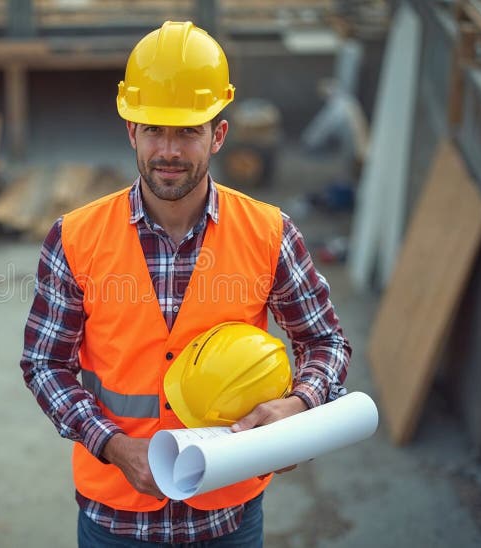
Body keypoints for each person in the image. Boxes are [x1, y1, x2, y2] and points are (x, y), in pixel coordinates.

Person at [20, 20, 351, 546]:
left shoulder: (268, 233)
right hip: (116, 519)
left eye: (187, 131)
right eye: (154, 129)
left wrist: (298, 407)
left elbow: (326, 343)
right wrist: (111, 445)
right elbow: (45, 363)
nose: (168, 150)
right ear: (131, 131)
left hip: (227, 518)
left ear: (218, 135)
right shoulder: (75, 238)